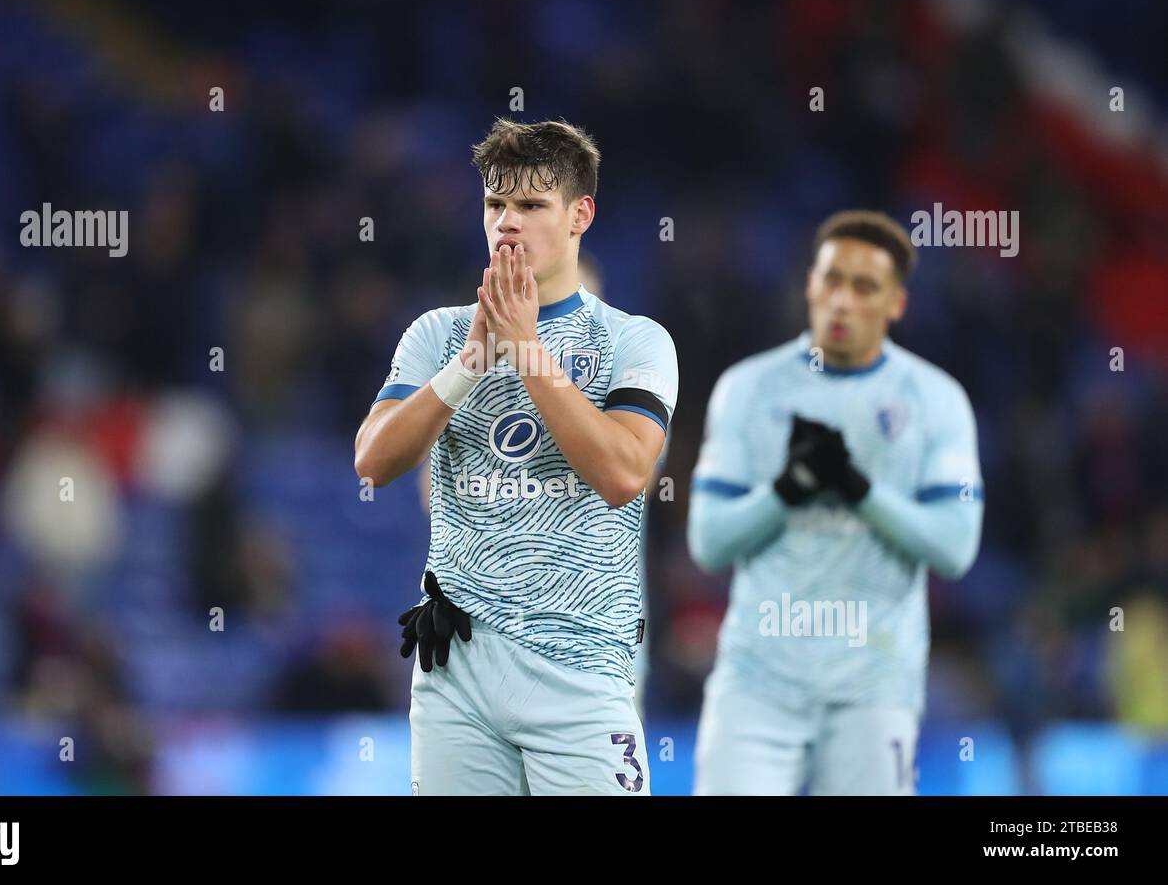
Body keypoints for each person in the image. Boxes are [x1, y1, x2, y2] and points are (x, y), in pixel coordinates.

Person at [354, 118, 678, 794]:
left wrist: (528, 349)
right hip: (458, 674)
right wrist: (470, 363)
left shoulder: (635, 342)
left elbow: (622, 473)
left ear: (579, 214)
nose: (508, 222)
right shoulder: (436, 334)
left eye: (531, 206)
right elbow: (374, 461)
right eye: (496, 204)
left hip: (579, 668)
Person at [687, 209, 984, 794]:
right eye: (831, 280)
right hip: (757, 684)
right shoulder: (748, 388)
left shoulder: (935, 399)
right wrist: (787, 490)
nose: (842, 301)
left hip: (874, 687)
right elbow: (709, 542)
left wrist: (857, 489)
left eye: (864, 286)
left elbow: (955, 548)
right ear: (809, 285)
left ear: (896, 304)